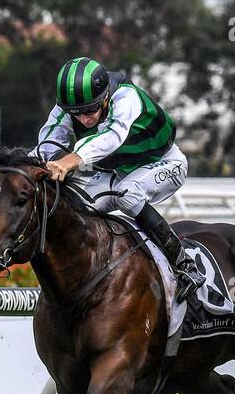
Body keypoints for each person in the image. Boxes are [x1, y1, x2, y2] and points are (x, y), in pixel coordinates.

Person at [37, 56, 202, 301]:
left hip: (164, 163)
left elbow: (112, 136)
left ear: (104, 96)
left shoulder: (126, 98)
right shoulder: (67, 108)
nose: (85, 119)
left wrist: (69, 160)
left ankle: (185, 266)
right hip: (115, 173)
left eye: (91, 110)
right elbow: (49, 141)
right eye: (76, 114)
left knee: (128, 193)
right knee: (75, 204)